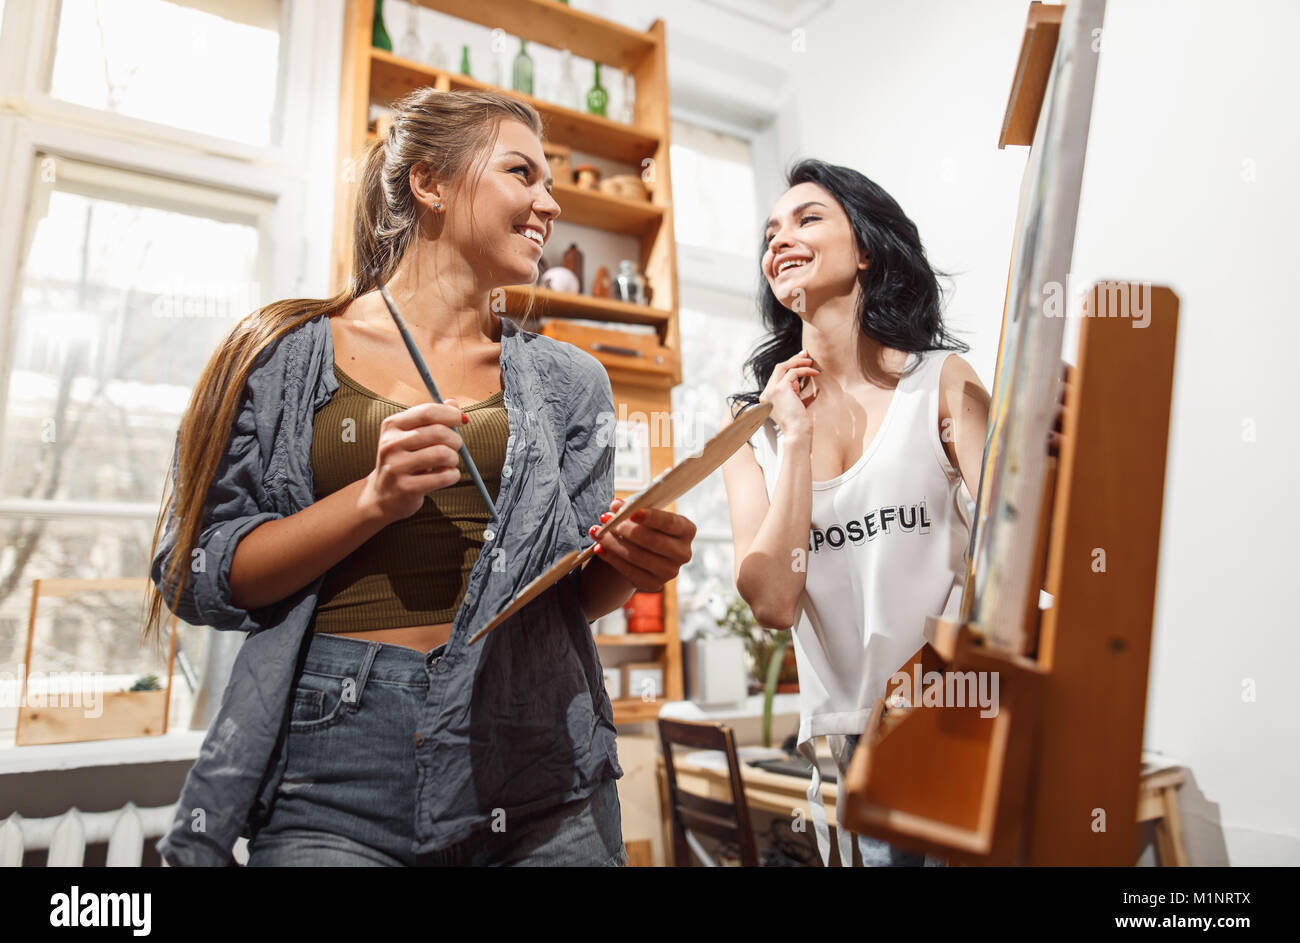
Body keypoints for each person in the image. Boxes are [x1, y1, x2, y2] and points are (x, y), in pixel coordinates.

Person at [143, 88, 696, 866]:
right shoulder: (278, 354)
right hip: (333, 769)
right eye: (522, 174)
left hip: (533, 754)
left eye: (551, 184)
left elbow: (567, 599)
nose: (548, 205)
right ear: (429, 183)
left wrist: (630, 568)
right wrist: (369, 502)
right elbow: (194, 573)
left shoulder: (574, 383)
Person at [719, 159, 990, 867]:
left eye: (808, 218)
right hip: (848, 754)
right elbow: (775, 599)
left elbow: (1024, 552)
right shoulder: (749, 428)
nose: (781, 238)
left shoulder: (942, 383)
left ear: (865, 248)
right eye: (771, 230)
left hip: (958, 727)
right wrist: (798, 439)